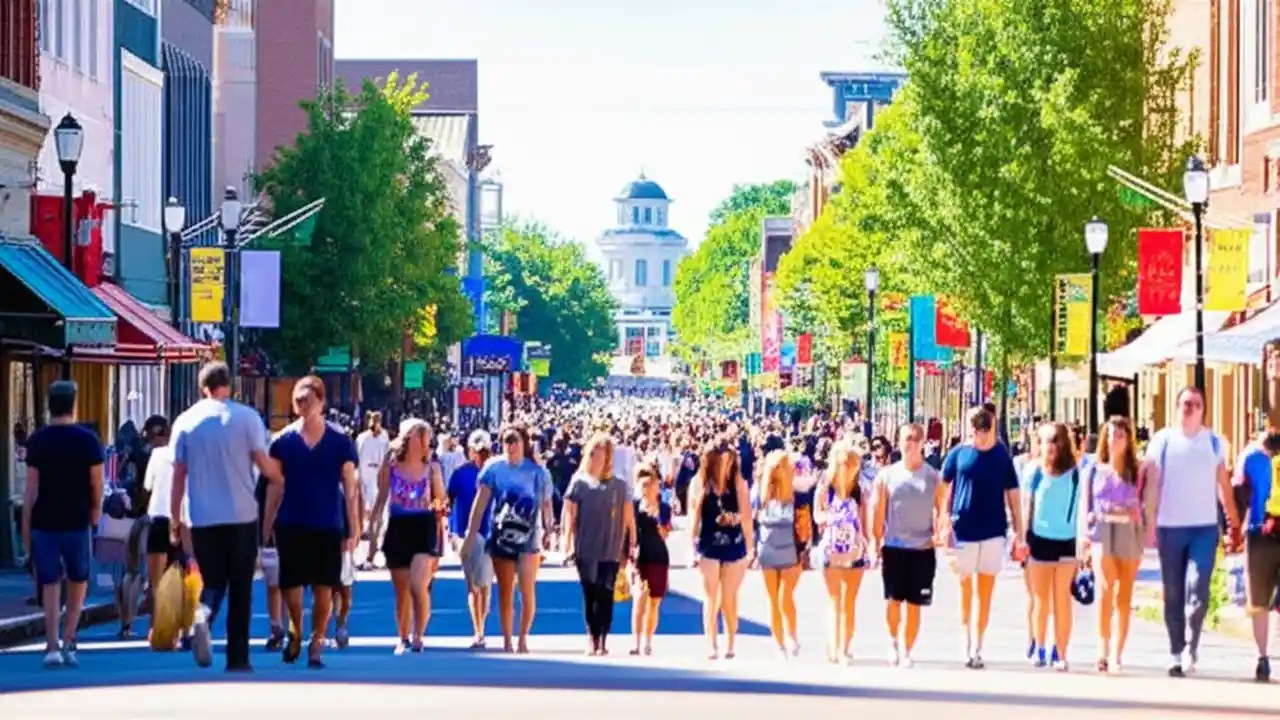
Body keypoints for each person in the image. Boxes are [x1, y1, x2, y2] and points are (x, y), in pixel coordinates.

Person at [170, 362, 277, 671]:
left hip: (203, 516)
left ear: (203, 388)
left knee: (213, 579)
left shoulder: (186, 422)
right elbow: (261, 460)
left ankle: (203, 612)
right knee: (241, 588)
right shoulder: (246, 418)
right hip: (242, 514)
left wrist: (176, 521)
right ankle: (238, 658)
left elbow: (179, 475)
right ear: (230, 385)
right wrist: (280, 476)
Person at [1145, 386, 1242, 677]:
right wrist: (1149, 522)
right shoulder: (1162, 441)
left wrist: (1233, 522)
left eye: (1195, 405)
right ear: (1177, 408)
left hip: (1203, 528)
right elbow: (1151, 484)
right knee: (1173, 591)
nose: (1189, 409)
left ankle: (1192, 645)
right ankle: (1175, 651)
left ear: (1203, 410)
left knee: (1197, 589)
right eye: (1185, 404)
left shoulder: (1214, 442)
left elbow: (1223, 485)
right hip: (1169, 527)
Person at [264, 376, 359, 668]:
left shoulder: (339, 441)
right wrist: (266, 525)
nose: (304, 405)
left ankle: (317, 642)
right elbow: (275, 485)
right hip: (292, 521)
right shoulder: (283, 441)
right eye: (299, 400)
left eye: (309, 400)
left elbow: (350, 487)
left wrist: (354, 527)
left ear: (321, 402)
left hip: (327, 523)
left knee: (324, 587)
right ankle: (296, 629)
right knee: (290, 585)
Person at [21, 381, 103, 668]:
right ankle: (70, 640)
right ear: (74, 404)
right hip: (77, 520)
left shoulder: (39, 441)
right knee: (79, 579)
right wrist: (95, 516)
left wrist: (26, 527)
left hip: (45, 520)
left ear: (49, 405)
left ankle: (52, 644)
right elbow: (97, 485)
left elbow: (30, 490)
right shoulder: (88, 440)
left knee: (50, 581)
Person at [941, 406, 1024, 670]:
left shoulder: (1001, 455)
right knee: (965, 587)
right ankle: (966, 641)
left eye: (986, 432)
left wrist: (1019, 530)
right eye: (977, 432)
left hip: (992, 531)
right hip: (963, 529)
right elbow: (943, 487)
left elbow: (1013, 493)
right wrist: (943, 519)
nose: (981, 438)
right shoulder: (959, 454)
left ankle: (978, 644)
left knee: (986, 590)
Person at [460, 423, 554, 654]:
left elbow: (546, 504)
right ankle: (507, 640)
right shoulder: (494, 469)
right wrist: (470, 536)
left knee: (527, 588)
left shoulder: (538, 472)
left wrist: (550, 530)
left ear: (524, 444)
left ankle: (522, 638)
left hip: (530, 537)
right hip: (501, 535)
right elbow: (480, 503)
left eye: (515, 441)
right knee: (505, 589)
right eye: (506, 441)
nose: (511, 446)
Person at [873, 423, 945, 668]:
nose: (910, 443)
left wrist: (941, 530)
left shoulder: (932, 476)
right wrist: (875, 542)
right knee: (893, 600)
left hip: (922, 549)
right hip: (894, 547)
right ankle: (893, 641)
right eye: (906, 438)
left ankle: (907, 649)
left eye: (915, 439)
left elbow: (943, 506)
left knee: (915, 604)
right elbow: (878, 511)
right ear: (899, 442)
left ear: (923, 443)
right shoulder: (887, 475)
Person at [372, 418, 445, 654]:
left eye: (426, 437)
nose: (425, 442)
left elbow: (441, 499)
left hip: (422, 525)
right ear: (408, 438)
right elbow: (383, 494)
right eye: (420, 436)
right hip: (398, 526)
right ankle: (402, 636)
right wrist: (372, 527)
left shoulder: (431, 467)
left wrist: (439, 504)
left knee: (418, 585)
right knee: (401, 589)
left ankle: (418, 635)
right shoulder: (391, 463)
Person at [562, 433, 635, 656]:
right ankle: (591, 637)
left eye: (600, 455)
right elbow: (570, 517)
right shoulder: (579, 483)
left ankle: (603, 638)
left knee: (606, 592)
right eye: (592, 454)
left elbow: (627, 517)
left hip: (610, 546)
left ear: (608, 458)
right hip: (586, 545)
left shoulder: (619, 486)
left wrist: (630, 544)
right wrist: (567, 545)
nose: (595, 459)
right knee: (590, 591)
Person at [1084, 416, 1145, 673]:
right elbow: (1084, 506)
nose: (1114, 439)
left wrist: (1139, 516)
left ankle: (1118, 652)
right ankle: (1102, 648)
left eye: (1120, 435)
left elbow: (1146, 504)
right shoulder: (1093, 470)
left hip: (1128, 531)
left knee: (1124, 594)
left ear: (1128, 440)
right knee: (1105, 589)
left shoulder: (1137, 471)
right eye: (1110, 434)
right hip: (1101, 530)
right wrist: (1084, 540)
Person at [1021, 422, 1084, 672]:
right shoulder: (1033, 471)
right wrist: (1023, 540)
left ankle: (1061, 650)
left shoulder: (1077, 474)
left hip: (1067, 541)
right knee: (1040, 600)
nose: (1051, 446)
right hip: (1039, 539)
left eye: (1055, 441)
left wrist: (1082, 548)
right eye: (1046, 441)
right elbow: (1026, 506)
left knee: (1062, 601)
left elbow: (1081, 510)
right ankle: (1040, 646)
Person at [688, 439, 752, 660]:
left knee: (729, 597)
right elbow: (694, 517)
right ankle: (711, 643)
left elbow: (747, 516)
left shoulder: (738, 483)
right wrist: (692, 546)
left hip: (734, 544)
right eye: (721, 458)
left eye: (729, 458)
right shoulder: (700, 483)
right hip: (708, 543)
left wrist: (750, 546)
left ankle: (731, 641)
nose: (726, 462)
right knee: (710, 596)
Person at [141, 415, 193, 649]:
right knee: (183, 577)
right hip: (183, 520)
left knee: (156, 581)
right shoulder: (193, 456)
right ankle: (183, 631)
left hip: (159, 517)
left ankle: (158, 631)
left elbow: (147, 487)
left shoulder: (157, 455)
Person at [1232, 429, 1280, 682]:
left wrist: (1235, 528)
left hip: (1259, 532)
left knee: (1259, 600)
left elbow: (1238, 489)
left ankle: (1262, 658)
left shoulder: (1250, 457)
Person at [816, 438, 869, 664]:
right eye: (844, 462)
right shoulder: (826, 487)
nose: (848, 467)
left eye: (853, 462)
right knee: (835, 600)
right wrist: (831, 519)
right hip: (831, 549)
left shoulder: (859, 490)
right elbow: (817, 515)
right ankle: (834, 645)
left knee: (849, 602)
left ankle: (845, 647)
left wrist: (870, 546)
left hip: (854, 551)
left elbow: (865, 523)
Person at [449, 430, 495, 649]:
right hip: (464, 533)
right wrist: (450, 532)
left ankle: (481, 628)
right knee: (472, 585)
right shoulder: (460, 473)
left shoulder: (495, 473)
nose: (482, 456)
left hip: (488, 533)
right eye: (478, 451)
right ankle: (477, 630)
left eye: (485, 451)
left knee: (485, 584)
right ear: (470, 451)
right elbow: (447, 500)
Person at [755, 449, 802, 657]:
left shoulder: (796, 494)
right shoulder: (760, 494)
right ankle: (779, 642)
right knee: (773, 598)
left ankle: (791, 636)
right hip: (767, 548)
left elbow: (803, 523)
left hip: (790, 549)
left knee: (785, 596)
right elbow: (752, 520)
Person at [631, 464, 671, 656]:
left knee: (654, 601)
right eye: (645, 485)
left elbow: (666, 533)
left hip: (659, 554)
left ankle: (648, 639)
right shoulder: (634, 507)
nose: (649, 489)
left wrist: (659, 523)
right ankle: (636, 641)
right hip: (641, 554)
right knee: (640, 597)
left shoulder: (664, 508)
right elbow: (630, 531)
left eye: (652, 485)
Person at [356, 412, 390, 570]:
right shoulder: (362, 438)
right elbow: (358, 461)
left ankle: (377, 551)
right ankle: (367, 555)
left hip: (380, 479)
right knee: (367, 518)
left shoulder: (384, 437)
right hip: (367, 479)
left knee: (380, 519)